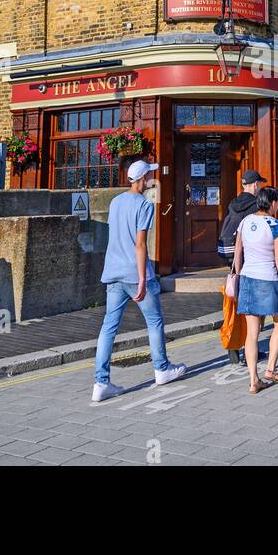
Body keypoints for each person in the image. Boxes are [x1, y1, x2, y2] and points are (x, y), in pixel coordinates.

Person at [91, 159, 187, 403]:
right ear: (143, 178)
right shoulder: (145, 205)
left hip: (113, 271)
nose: (151, 180)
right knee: (154, 321)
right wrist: (144, 278)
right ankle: (162, 369)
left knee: (108, 327)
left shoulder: (115, 202)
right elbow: (140, 243)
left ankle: (100, 383)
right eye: (149, 176)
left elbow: (117, 236)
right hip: (135, 273)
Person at [232, 186, 278, 394]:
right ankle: (271, 369)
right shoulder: (276, 225)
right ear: (273, 203)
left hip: (248, 278)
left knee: (252, 334)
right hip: (269, 280)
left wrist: (239, 277)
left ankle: (253, 381)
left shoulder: (245, 222)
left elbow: (237, 253)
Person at [217, 169, 266, 365]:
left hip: (231, 258)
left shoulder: (233, 203)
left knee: (235, 300)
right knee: (252, 305)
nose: (260, 187)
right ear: (254, 185)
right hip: (249, 258)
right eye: (259, 184)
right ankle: (249, 349)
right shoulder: (255, 205)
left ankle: (233, 346)